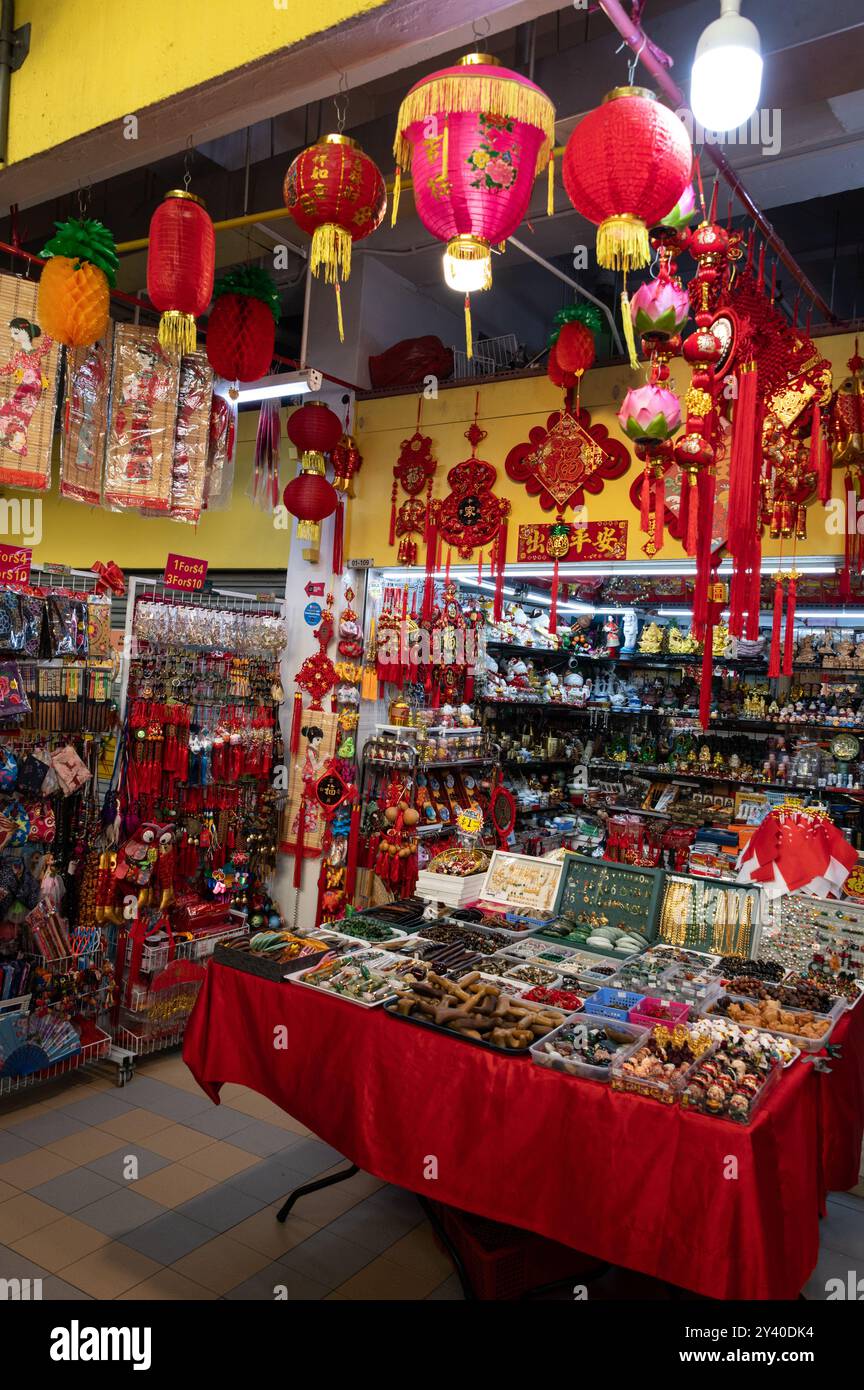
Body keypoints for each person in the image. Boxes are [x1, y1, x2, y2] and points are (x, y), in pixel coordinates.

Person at [0, 318, 54, 457]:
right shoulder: (19, 354)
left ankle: (15, 442)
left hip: (33, 387)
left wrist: (51, 327)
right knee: (11, 412)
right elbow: (10, 368)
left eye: (16, 333)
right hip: (25, 385)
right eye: (12, 333)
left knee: (19, 415)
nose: (13, 336)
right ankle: (12, 440)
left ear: (26, 332)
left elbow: (47, 345)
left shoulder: (37, 352)